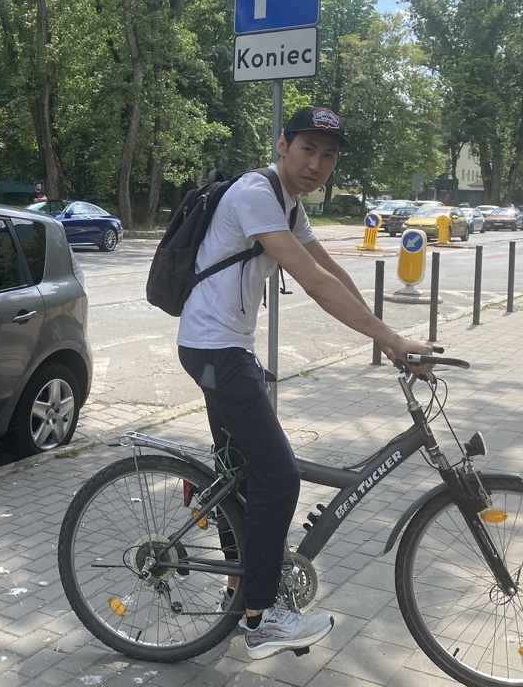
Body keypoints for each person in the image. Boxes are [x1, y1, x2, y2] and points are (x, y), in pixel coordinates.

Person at [177, 105, 434, 660]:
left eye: (328, 155)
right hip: (214, 350)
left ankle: (237, 583)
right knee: (280, 474)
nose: (316, 163)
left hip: (222, 348)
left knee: (239, 470)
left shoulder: (288, 204)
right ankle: (263, 618)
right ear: (281, 147)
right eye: (307, 150)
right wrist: (389, 341)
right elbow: (313, 282)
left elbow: (333, 272)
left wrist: (386, 335)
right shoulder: (254, 194)